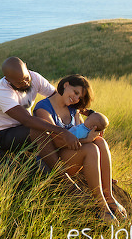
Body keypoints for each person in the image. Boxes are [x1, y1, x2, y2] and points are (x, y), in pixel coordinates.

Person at [34, 75, 127, 221]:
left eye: (79, 97)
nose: (76, 99)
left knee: (100, 142)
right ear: (66, 84)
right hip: (54, 160)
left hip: (72, 156)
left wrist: (93, 131)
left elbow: (82, 130)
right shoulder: (43, 108)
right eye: (75, 92)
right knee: (91, 149)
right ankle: (101, 205)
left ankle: (109, 196)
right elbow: (53, 142)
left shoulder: (73, 110)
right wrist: (86, 140)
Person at [0, 57, 82, 172]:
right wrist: (62, 131)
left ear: (26, 67)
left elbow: (56, 97)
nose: (26, 83)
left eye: (26, 78)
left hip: (25, 128)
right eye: (19, 82)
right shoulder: (1, 91)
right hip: (5, 133)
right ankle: (61, 175)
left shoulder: (35, 78)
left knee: (44, 123)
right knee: (38, 129)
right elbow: (27, 120)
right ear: (8, 80)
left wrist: (79, 110)